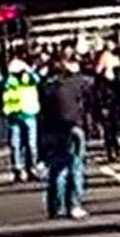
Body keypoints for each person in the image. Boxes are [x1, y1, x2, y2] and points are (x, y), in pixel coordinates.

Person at [39, 52, 93, 220]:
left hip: (51, 130)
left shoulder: (45, 87)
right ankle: (74, 205)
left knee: (56, 169)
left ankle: (54, 206)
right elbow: (89, 89)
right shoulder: (74, 84)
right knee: (75, 167)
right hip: (73, 128)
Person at [1, 53, 42, 182]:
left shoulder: (29, 79)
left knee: (31, 145)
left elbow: (37, 79)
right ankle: (18, 170)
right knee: (15, 145)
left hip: (29, 115)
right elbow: (2, 84)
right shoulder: (9, 81)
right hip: (14, 117)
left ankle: (32, 169)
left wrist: (28, 70)